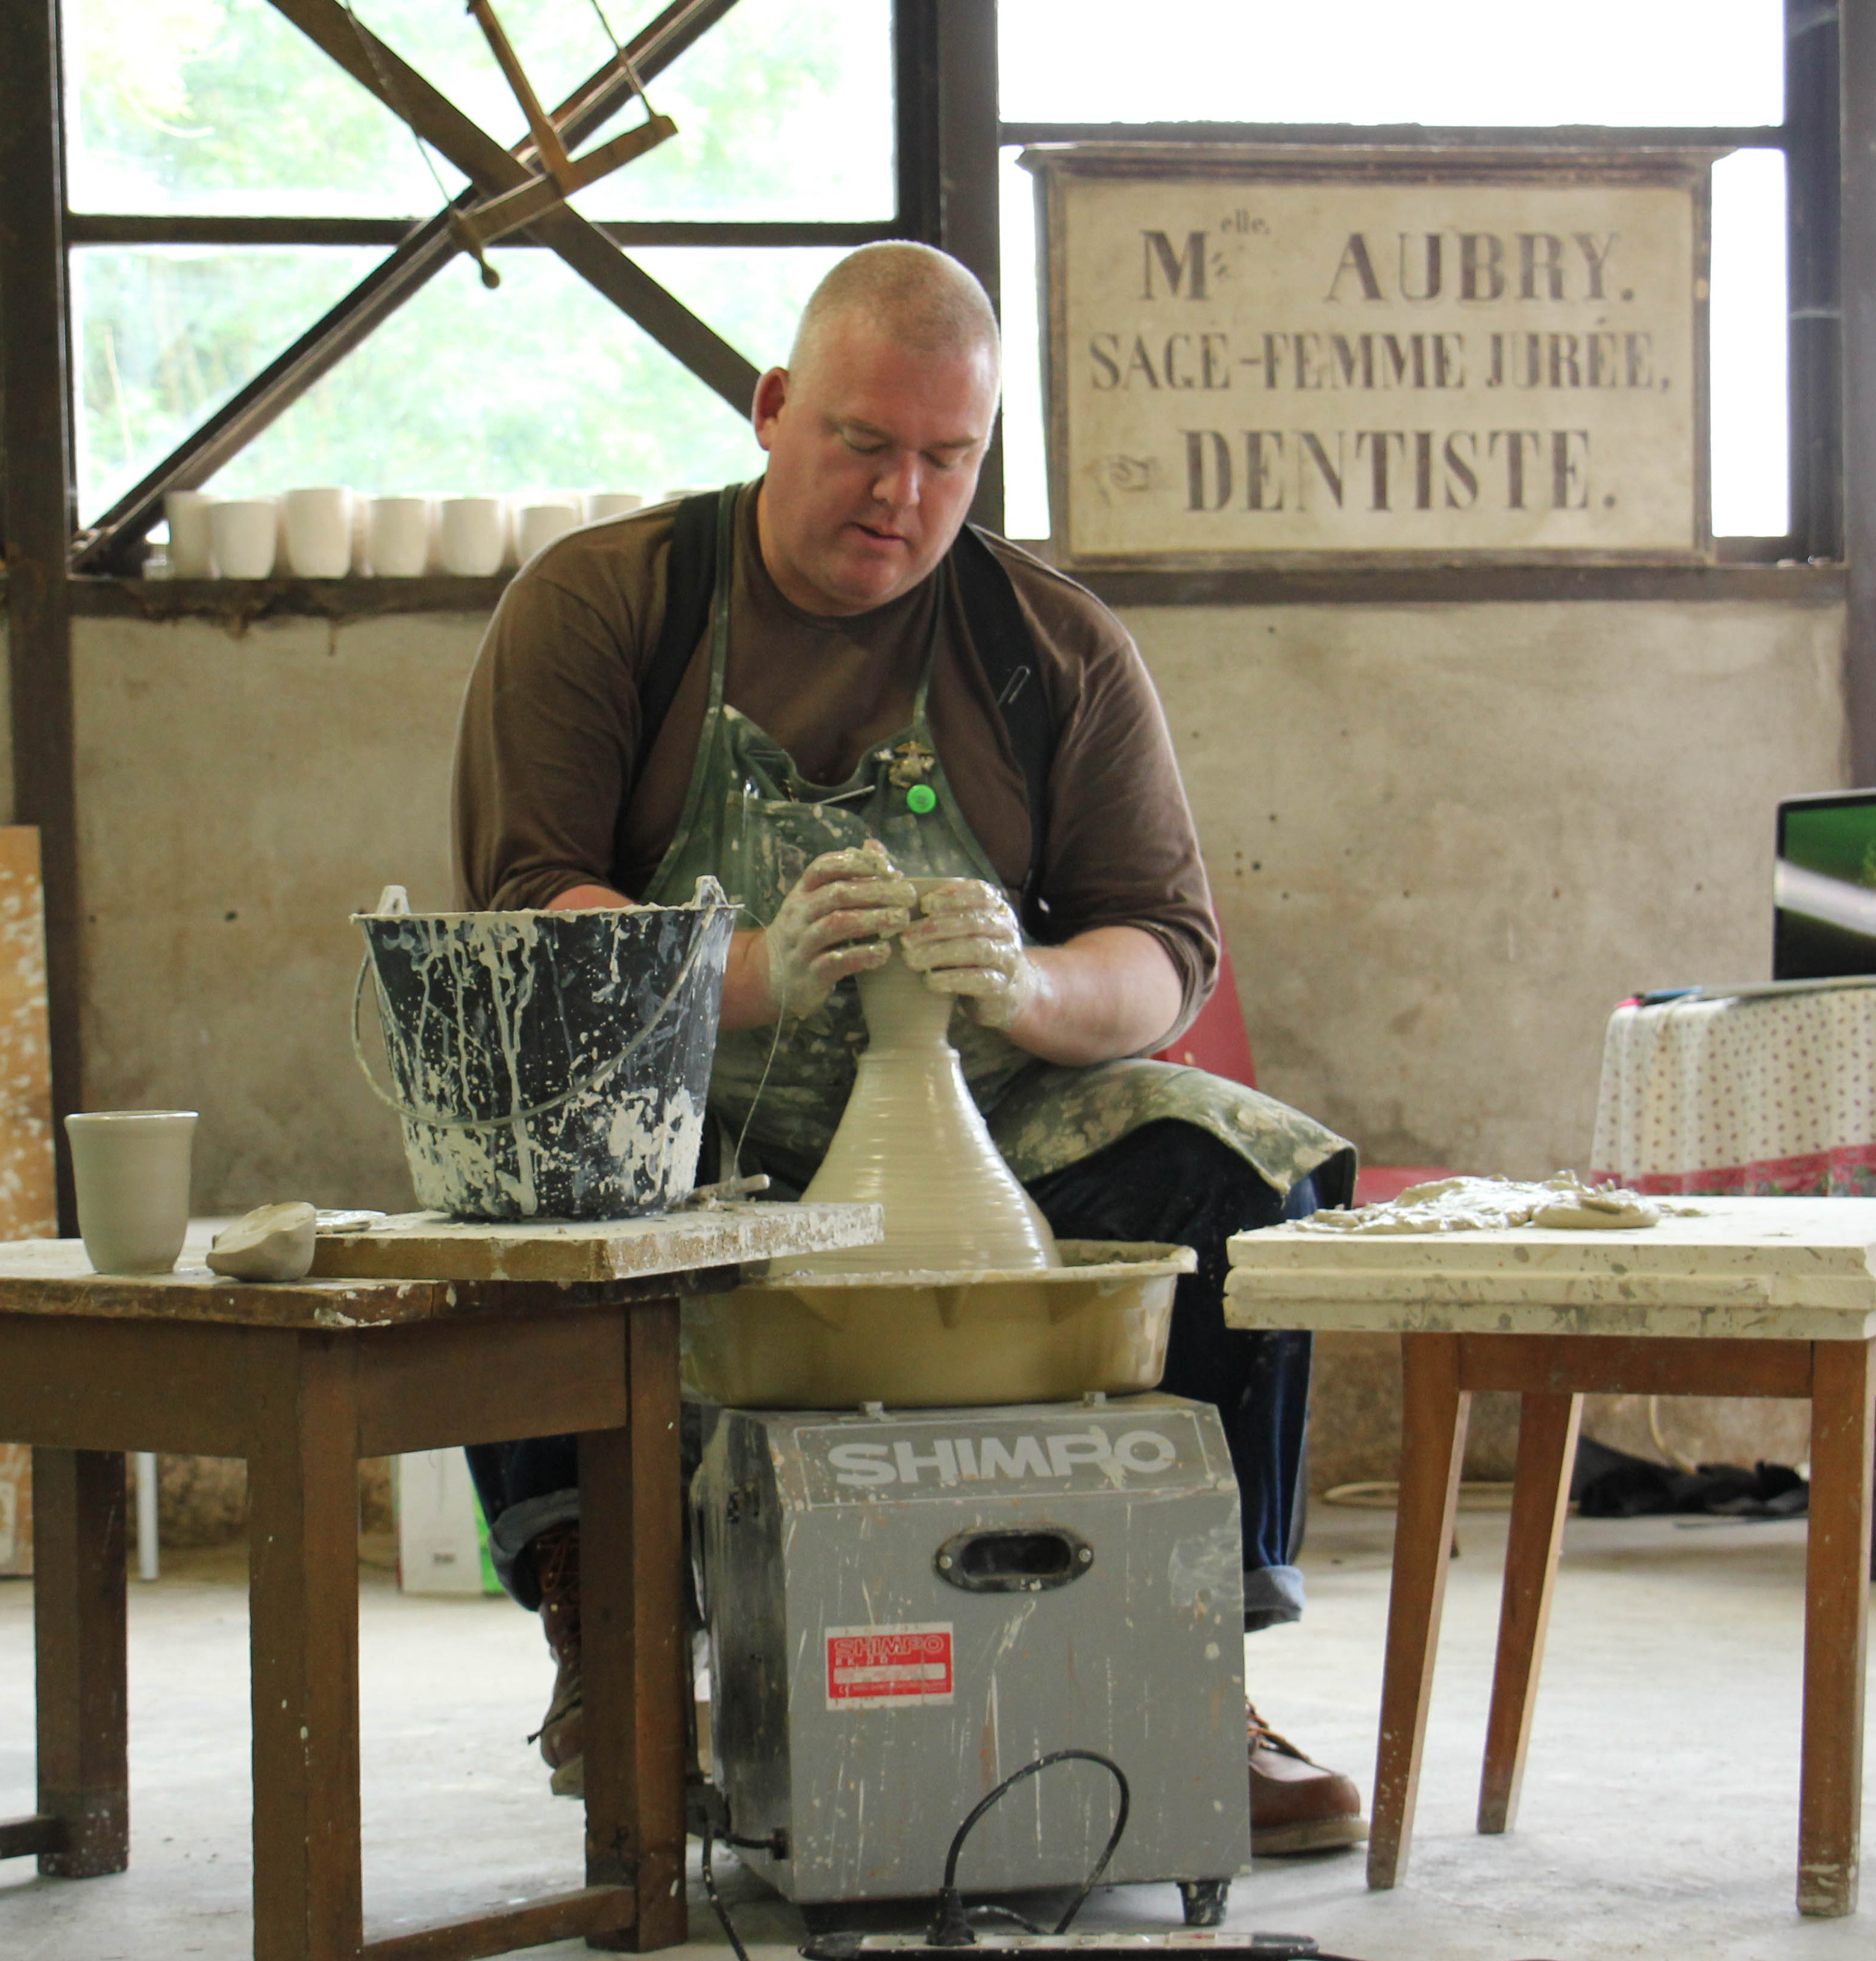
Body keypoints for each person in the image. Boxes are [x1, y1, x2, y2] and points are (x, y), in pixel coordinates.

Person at [448, 241, 1364, 1856]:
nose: (901, 494)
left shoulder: (1048, 647)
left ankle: (1194, 1651)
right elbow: (526, 919)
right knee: (508, 1125)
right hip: (686, 1139)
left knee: (1237, 1160)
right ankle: (614, 1635)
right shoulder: (611, 606)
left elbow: (1161, 947)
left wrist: (1022, 987)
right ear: (774, 407)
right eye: (864, 443)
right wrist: (745, 972)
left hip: (982, 1145)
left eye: (949, 458)